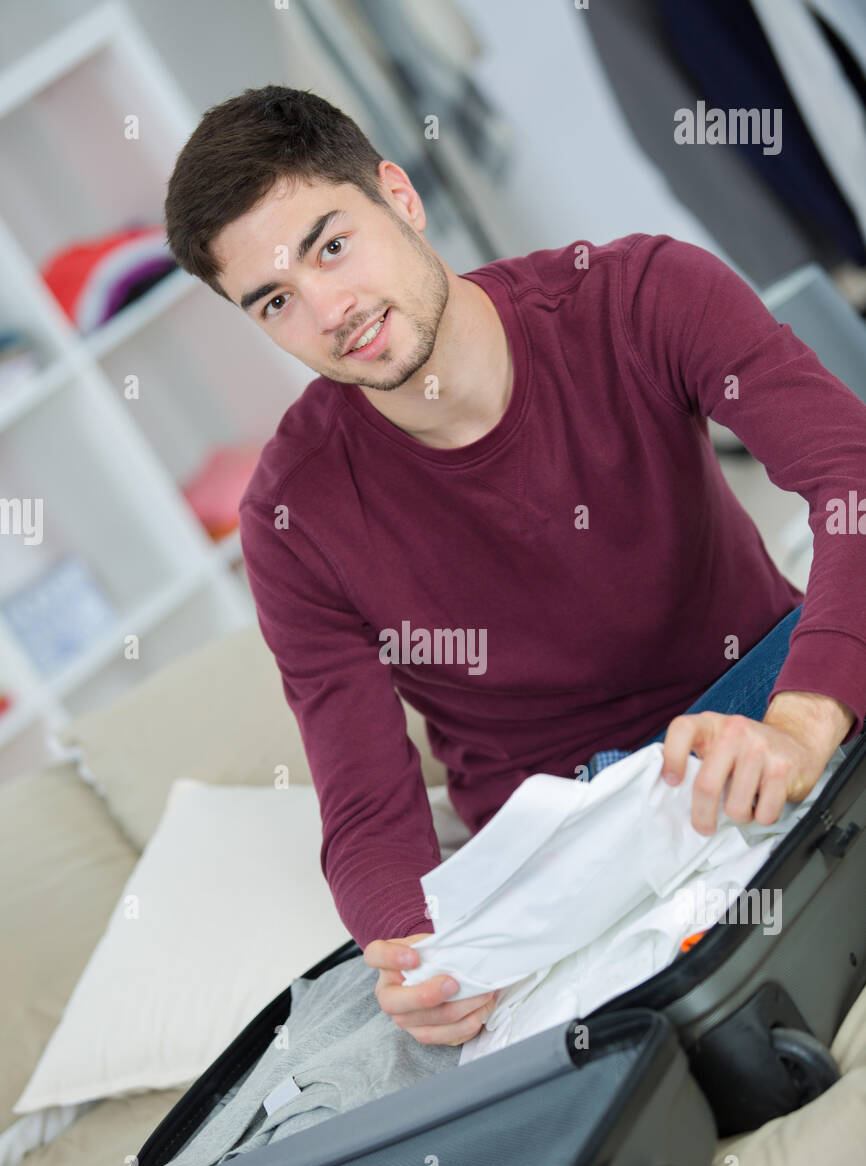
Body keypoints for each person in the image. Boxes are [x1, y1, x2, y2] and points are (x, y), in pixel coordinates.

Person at [164, 86, 864, 1049]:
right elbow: (368, 801)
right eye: (276, 301)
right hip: (560, 840)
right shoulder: (292, 519)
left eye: (331, 245)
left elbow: (850, 480)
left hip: (767, 702)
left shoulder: (641, 294)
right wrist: (407, 949)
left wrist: (801, 719)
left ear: (399, 196)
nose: (331, 311)